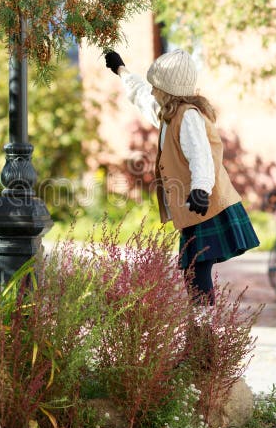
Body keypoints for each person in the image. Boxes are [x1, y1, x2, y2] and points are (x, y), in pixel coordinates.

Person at [104, 49, 259, 304]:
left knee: (197, 271)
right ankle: (201, 329)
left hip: (206, 204)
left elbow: (201, 155)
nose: (153, 90)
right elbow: (143, 97)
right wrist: (122, 70)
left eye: (157, 86)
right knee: (193, 272)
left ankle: (203, 332)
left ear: (168, 90)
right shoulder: (169, 114)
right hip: (197, 206)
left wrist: (200, 189)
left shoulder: (187, 116)